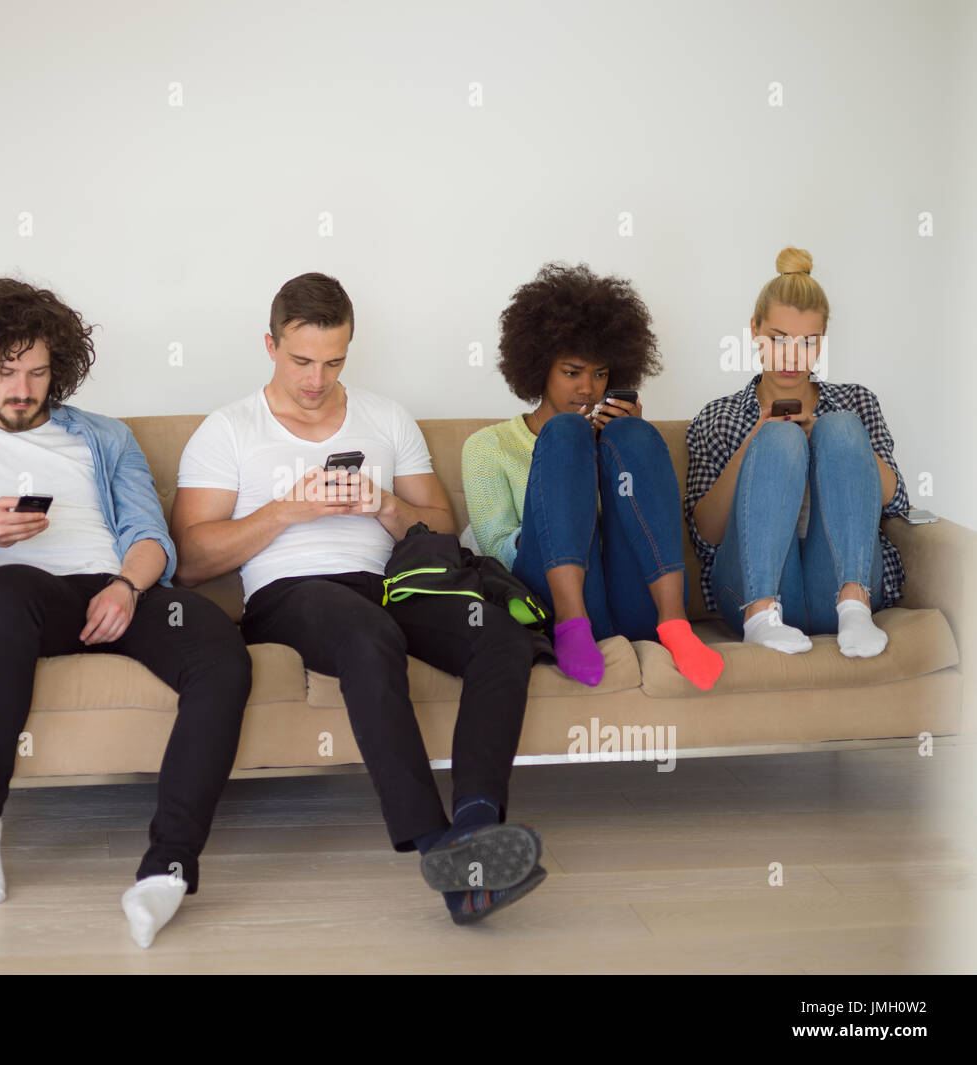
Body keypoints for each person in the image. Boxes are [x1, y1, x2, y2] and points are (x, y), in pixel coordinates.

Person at [0, 276, 252, 948]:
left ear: (59, 369)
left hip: (111, 589)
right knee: (7, 589)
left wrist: (128, 587)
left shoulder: (104, 436)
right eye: (6, 372)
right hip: (19, 599)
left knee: (219, 647)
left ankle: (170, 863)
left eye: (38, 373)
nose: (22, 389)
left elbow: (150, 536)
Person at [170, 272, 547, 924]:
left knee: (500, 634)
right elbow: (192, 561)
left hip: (394, 583)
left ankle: (478, 819)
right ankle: (440, 847)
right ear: (270, 344)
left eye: (334, 360)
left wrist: (383, 504)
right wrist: (288, 510)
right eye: (301, 360)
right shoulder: (229, 428)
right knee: (368, 638)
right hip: (292, 594)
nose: (317, 378)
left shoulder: (386, 417)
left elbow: (440, 526)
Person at [463, 263, 724, 691]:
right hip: (549, 598)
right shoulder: (486, 446)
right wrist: (569, 466)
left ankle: (675, 624)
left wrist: (615, 451)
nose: (588, 388)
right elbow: (500, 553)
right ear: (538, 367)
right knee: (565, 432)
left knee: (634, 433)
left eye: (600, 374)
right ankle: (572, 624)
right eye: (572, 372)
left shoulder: (616, 438)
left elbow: (643, 528)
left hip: (632, 604)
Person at [684, 247, 910, 656]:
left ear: (822, 343)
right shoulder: (718, 417)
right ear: (754, 331)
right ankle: (761, 613)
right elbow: (705, 534)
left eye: (807, 342)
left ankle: (854, 606)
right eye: (778, 339)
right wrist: (758, 438)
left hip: (839, 582)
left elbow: (896, 501)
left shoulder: (857, 401)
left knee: (840, 426)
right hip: (754, 585)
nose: (791, 357)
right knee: (779, 439)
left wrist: (828, 434)